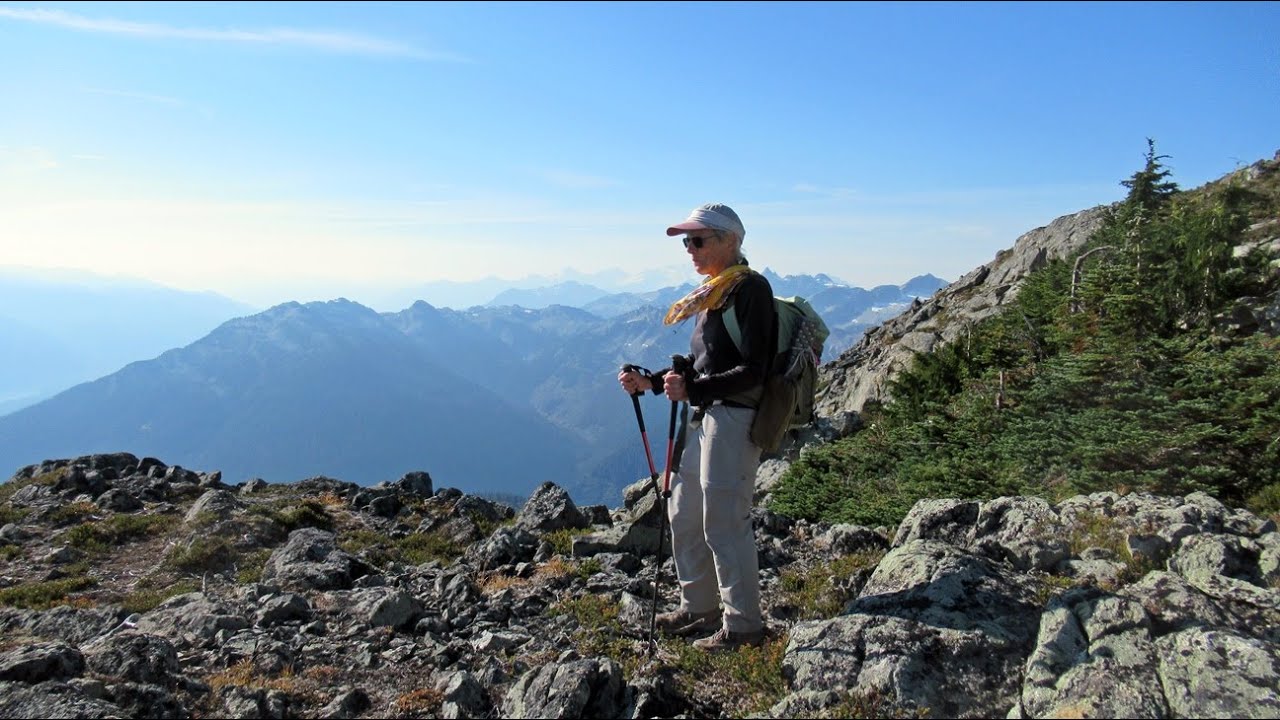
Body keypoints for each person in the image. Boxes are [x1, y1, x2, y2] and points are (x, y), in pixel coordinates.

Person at [617, 202, 777, 651]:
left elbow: (756, 370)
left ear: (730, 241)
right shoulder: (714, 293)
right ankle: (699, 607)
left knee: (724, 522)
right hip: (706, 415)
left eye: (698, 240)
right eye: (686, 241)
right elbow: (704, 363)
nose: (689, 249)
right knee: (683, 512)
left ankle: (744, 626)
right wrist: (652, 381)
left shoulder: (750, 291)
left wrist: (693, 391)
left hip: (734, 417)